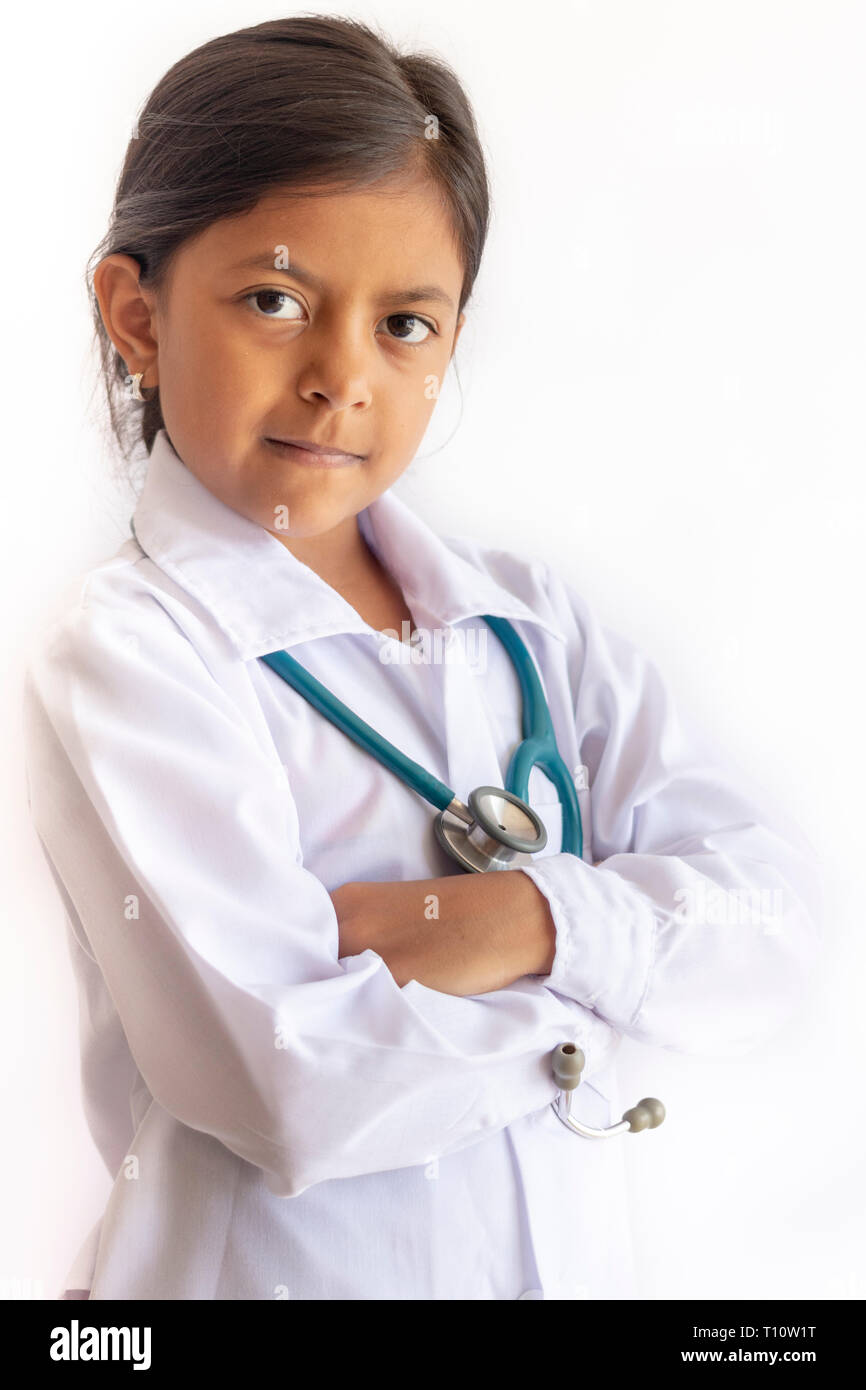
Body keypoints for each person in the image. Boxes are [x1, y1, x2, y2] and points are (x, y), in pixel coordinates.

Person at [21, 14, 822, 1301]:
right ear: (137, 313)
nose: (342, 376)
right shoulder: (128, 652)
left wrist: (507, 917)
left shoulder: (530, 625)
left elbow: (771, 932)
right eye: (274, 300)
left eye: (405, 322)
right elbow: (288, 1084)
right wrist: (621, 976)